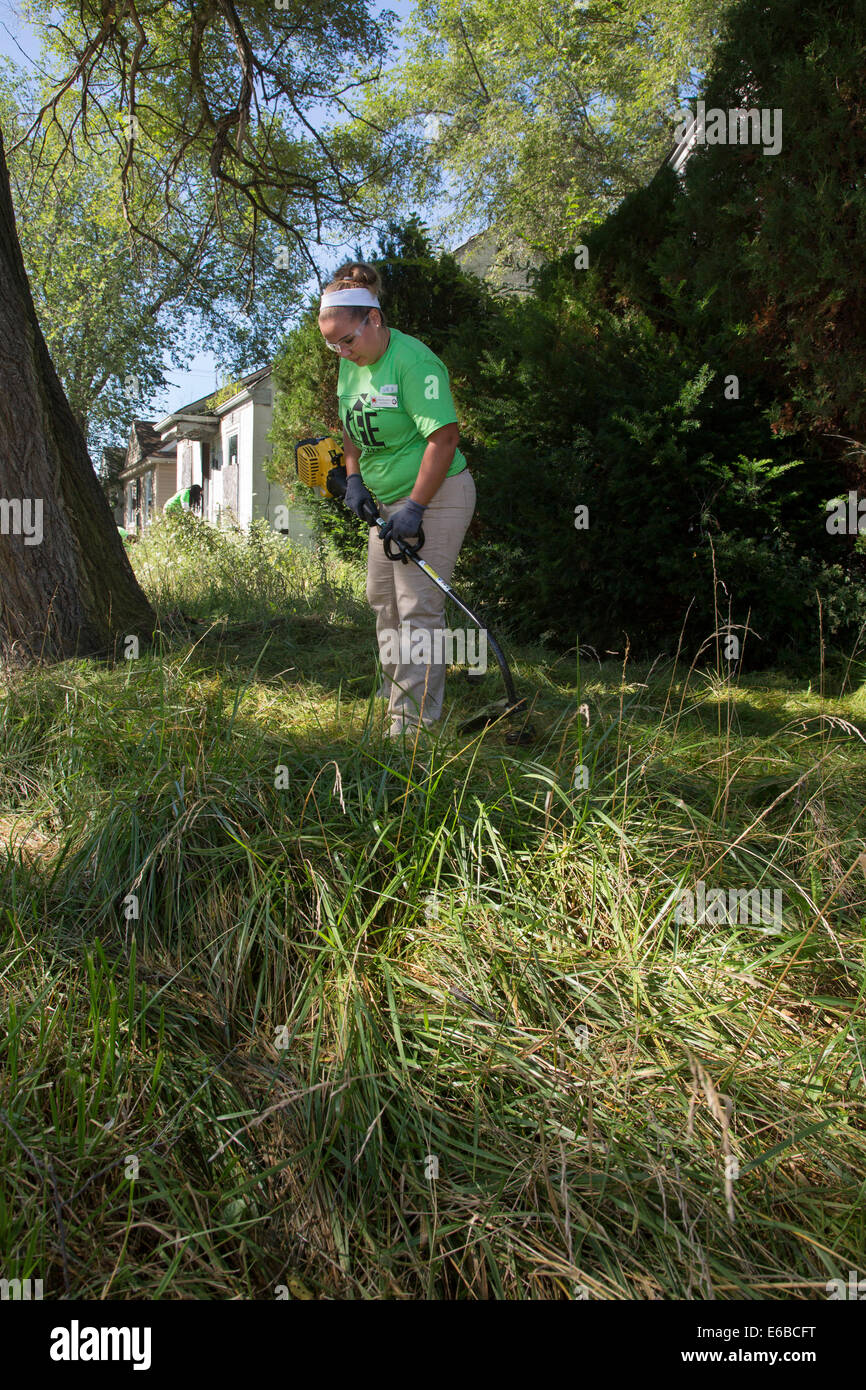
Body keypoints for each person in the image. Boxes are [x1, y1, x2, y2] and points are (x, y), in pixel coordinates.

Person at [318, 261, 476, 738]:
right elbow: (350, 429)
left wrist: (415, 508)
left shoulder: (414, 362)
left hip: (436, 496)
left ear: (375, 321)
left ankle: (412, 728)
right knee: (383, 602)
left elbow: (443, 439)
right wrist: (355, 479)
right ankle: (396, 700)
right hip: (385, 503)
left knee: (418, 609)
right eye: (332, 344)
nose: (341, 352)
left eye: (347, 340)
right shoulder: (352, 365)